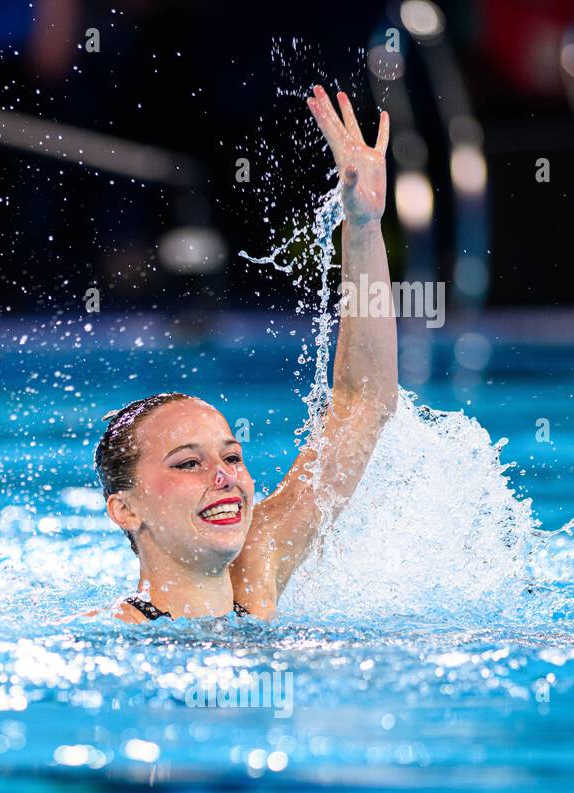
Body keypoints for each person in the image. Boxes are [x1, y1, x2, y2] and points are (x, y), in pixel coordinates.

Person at [93, 86, 396, 622]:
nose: (225, 477)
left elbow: (363, 402)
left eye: (231, 457)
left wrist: (364, 227)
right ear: (126, 509)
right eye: (189, 462)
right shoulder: (117, 634)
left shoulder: (258, 564)